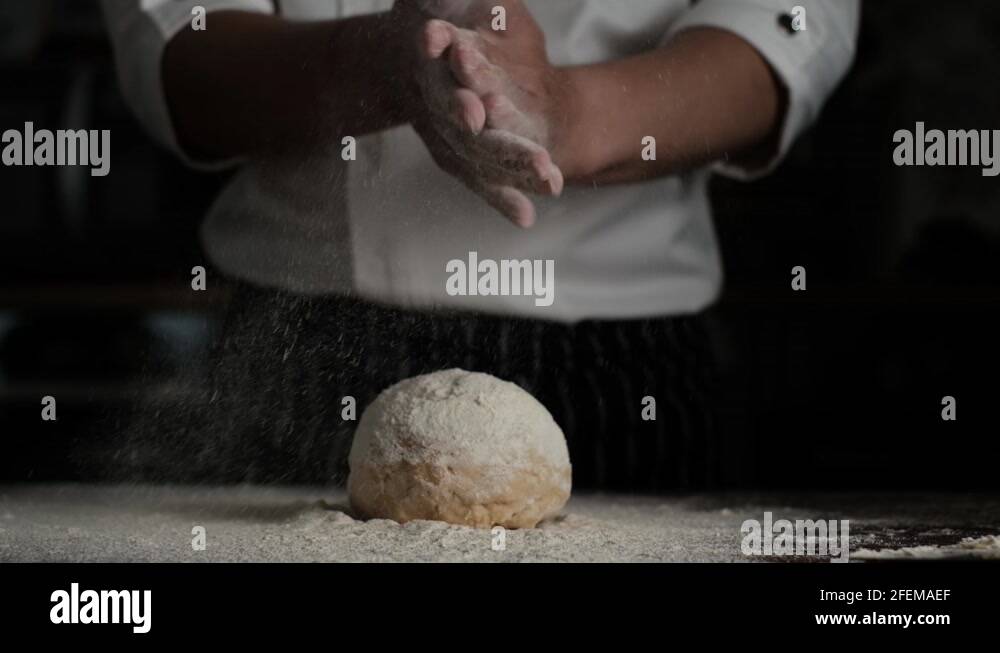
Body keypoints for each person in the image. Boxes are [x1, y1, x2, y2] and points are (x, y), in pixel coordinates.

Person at [101, 0, 859, 490]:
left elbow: (791, 20)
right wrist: (379, 65)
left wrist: (569, 114)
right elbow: (180, 43)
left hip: (621, 374)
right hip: (298, 352)